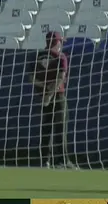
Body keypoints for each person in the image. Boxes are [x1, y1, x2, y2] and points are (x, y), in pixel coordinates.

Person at [30, 31, 73, 168]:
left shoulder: (39, 56)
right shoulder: (61, 57)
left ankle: (44, 161)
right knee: (60, 129)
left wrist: (43, 88)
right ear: (57, 42)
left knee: (46, 130)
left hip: (43, 97)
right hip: (57, 96)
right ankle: (62, 161)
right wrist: (50, 94)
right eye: (60, 42)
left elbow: (31, 78)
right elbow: (60, 77)